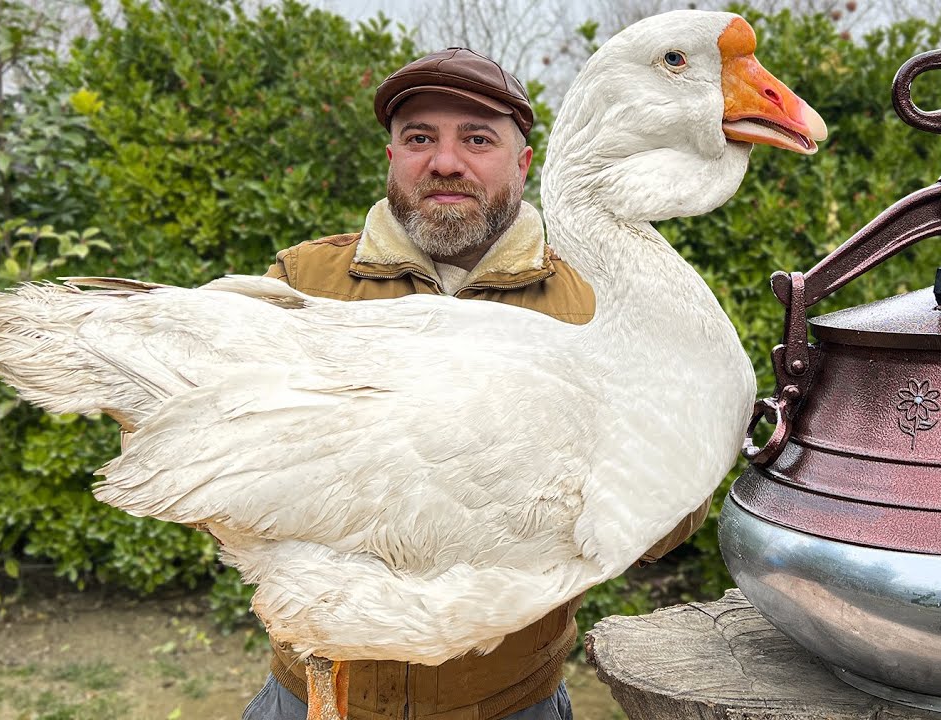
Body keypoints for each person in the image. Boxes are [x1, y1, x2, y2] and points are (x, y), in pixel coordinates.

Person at [243, 48, 710, 720]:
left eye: (478, 139)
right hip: (312, 700)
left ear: (523, 164)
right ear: (392, 158)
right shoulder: (300, 285)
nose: (445, 162)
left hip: (510, 704)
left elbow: (664, 514)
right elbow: (215, 468)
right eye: (420, 138)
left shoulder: (596, 302)